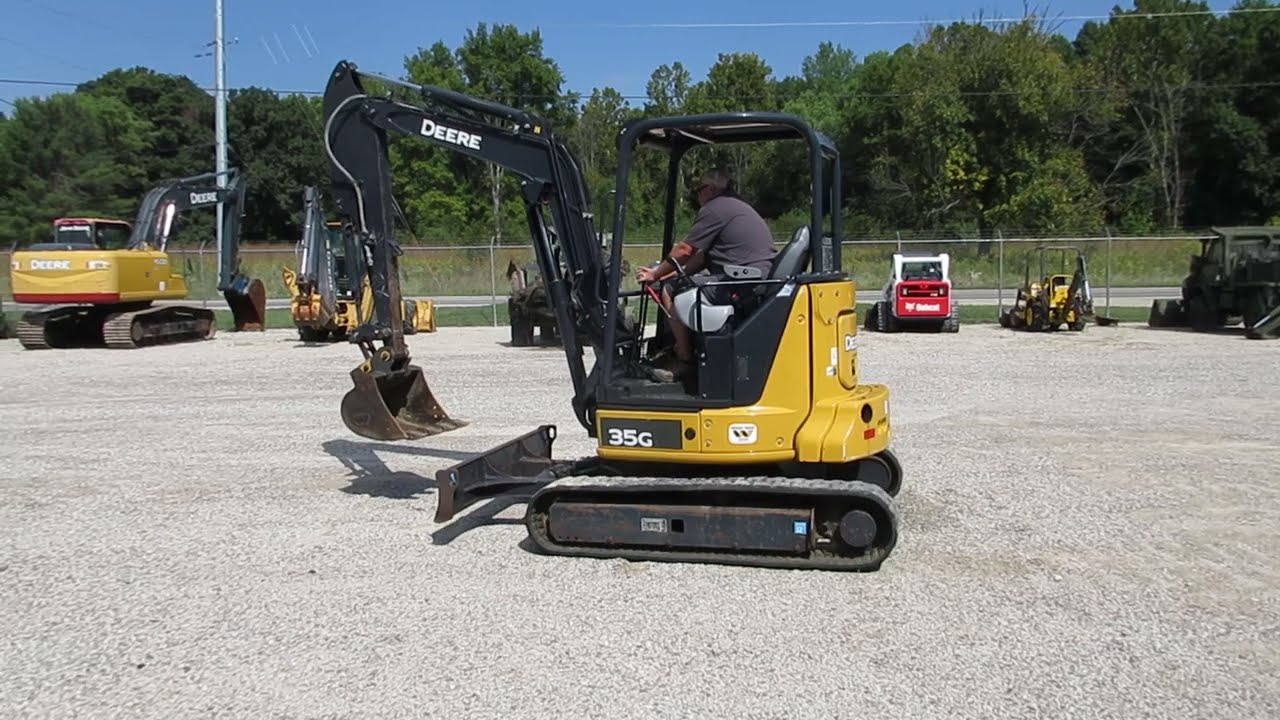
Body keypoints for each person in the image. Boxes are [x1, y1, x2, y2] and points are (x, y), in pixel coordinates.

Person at [635, 168, 777, 381]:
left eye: (699, 189)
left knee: (671, 291)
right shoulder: (736, 206)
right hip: (752, 277)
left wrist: (656, 275)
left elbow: (685, 250)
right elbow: (701, 258)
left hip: (742, 282)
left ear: (711, 189)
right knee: (673, 283)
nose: (697, 195)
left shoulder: (716, 208)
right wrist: (666, 273)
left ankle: (684, 359)